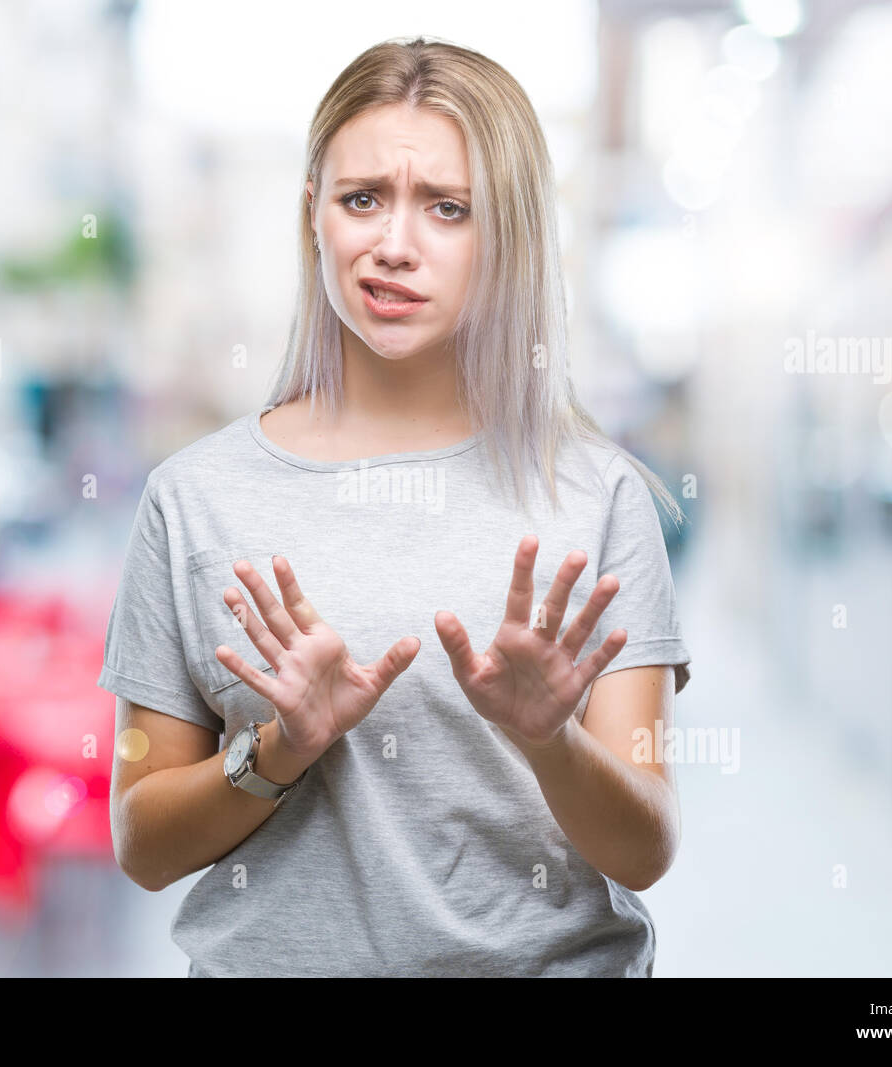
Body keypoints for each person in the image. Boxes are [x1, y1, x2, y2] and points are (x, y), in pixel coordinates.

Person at [98, 35, 692, 978]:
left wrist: (549, 738)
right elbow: (143, 841)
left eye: (448, 208)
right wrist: (280, 747)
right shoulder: (195, 498)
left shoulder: (595, 494)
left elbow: (645, 846)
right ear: (314, 215)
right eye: (361, 198)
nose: (394, 245)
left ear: (511, 232)